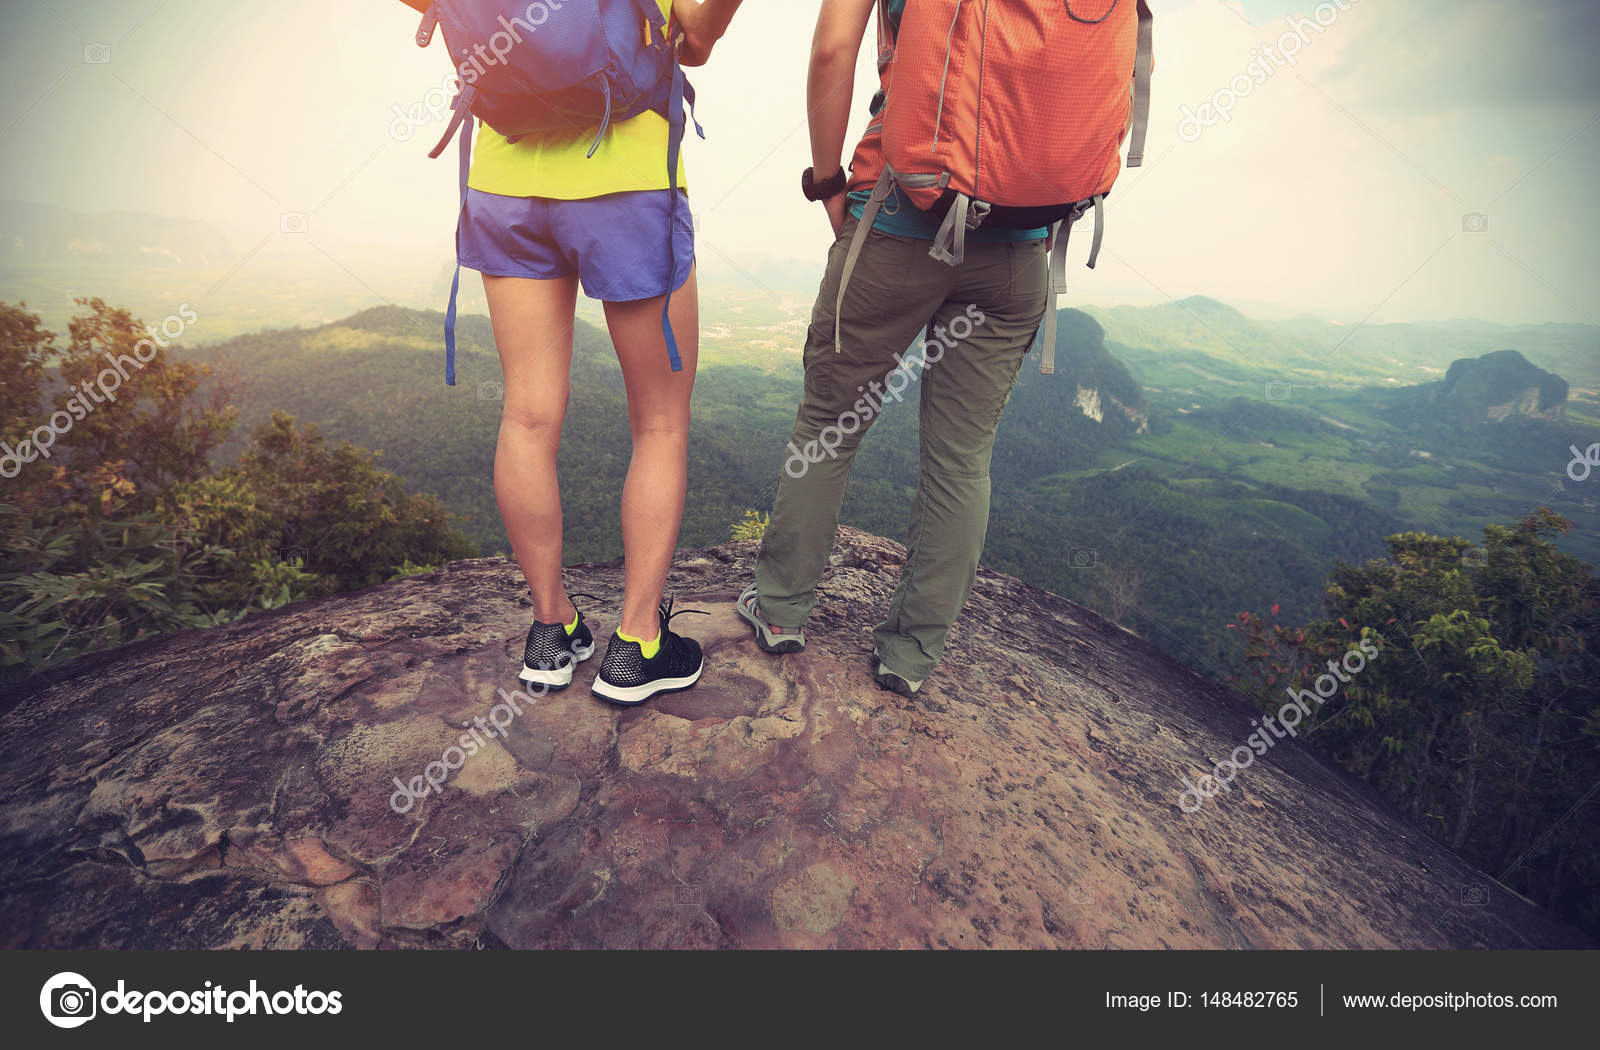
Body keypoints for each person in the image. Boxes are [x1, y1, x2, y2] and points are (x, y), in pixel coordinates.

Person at [405, 0, 744, 705]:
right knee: (660, 420)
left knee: (527, 415)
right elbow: (698, 37)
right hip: (626, 180)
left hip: (504, 183)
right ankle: (637, 644)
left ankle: (552, 631)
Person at [737, 0, 1051, 696]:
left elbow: (831, 52)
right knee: (961, 461)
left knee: (829, 424)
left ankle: (783, 610)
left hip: (902, 218)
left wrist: (827, 183)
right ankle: (910, 655)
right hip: (1019, 246)